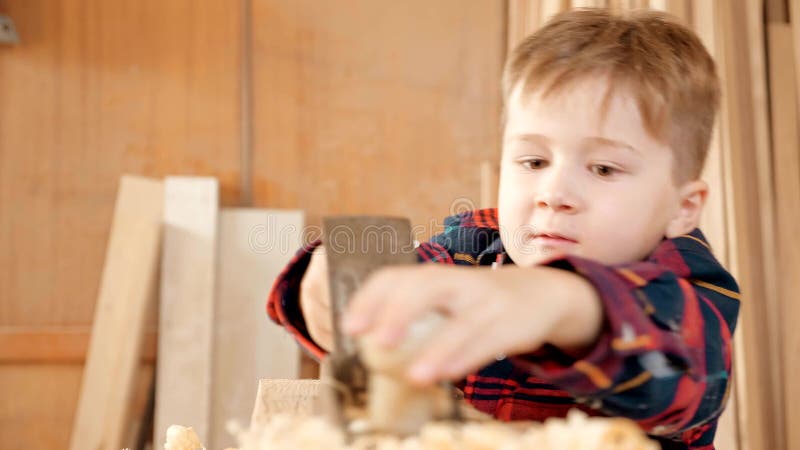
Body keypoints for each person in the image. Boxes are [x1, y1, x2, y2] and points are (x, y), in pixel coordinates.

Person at [267, 8, 739, 449]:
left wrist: (561, 301)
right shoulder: (471, 251)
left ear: (683, 207)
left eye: (604, 169)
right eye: (534, 160)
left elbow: (687, 366)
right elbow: (396, 282)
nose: (553, 193)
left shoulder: (688, 285)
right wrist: (332, 279)